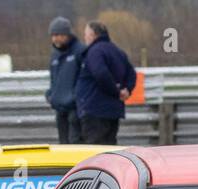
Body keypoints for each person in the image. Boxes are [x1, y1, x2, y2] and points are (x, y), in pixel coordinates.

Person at [75, 20, 136, 146]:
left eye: (86, 34)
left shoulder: (94, 51)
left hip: (95, 110)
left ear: (93, 35)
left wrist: (115, 92)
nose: (85, 38)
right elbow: (132, 74)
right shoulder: (118, 51)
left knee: (95, 152)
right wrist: (127, 90)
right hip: (113, 110)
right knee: (110, 149)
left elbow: (100, 73)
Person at [45, 17, 85, 145]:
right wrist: (50, 95)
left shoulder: (80, 51)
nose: (55, 39)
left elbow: (85, 79)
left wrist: (75, 97)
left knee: (75, 143)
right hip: (60, 107)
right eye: (53, 35)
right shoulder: (55, 54)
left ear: (67, 34)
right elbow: (53, 79)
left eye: (58, 35)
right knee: (63, 144)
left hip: (75, 108)